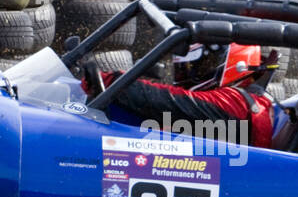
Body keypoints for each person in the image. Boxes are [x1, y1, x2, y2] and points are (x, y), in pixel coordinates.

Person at [92, 43, 280, 148]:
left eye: (196, 68)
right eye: (183, 69)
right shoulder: (247, 101)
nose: (187, 75)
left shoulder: (237, 101)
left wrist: (117, 83)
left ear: (233, 65)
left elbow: (172, 103)